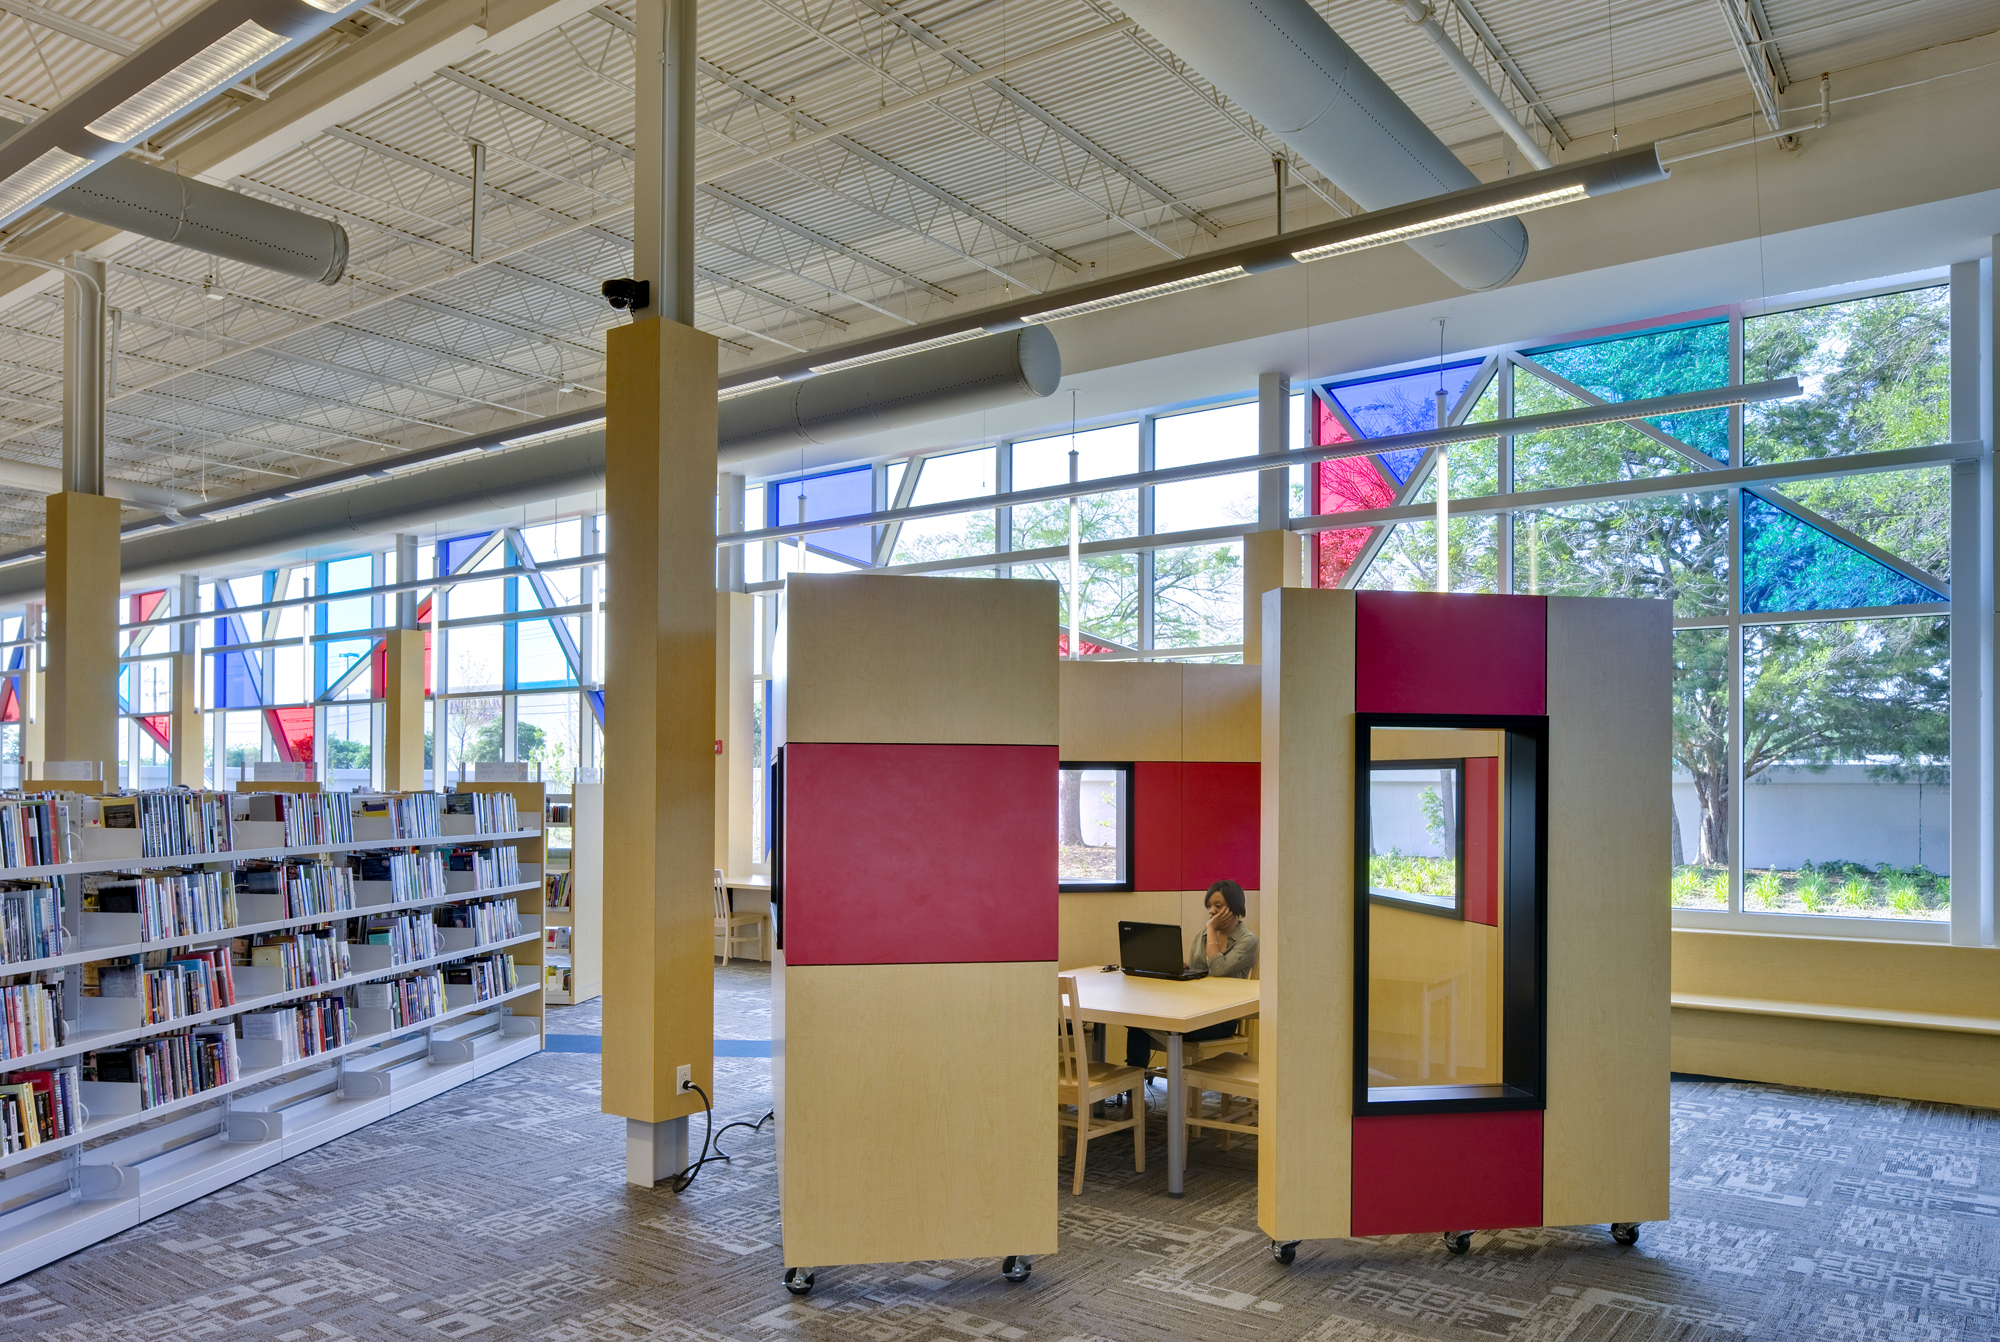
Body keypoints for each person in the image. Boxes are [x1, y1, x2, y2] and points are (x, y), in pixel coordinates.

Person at [1124, 880, 1258, 1068]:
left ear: (1234, 906)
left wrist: (1211, 929)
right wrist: (1184, 968)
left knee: (1173, 1030)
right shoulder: (1202, 935)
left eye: (1218, 906)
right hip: (1194, 1010)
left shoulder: (1248, 940)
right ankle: (1134, 1094)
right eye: (1209, 906)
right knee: (1137, 1024)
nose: (1211, 911)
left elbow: (1218, 969)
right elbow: (1199, 971)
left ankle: (1177, 1089)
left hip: (1222, 1019)